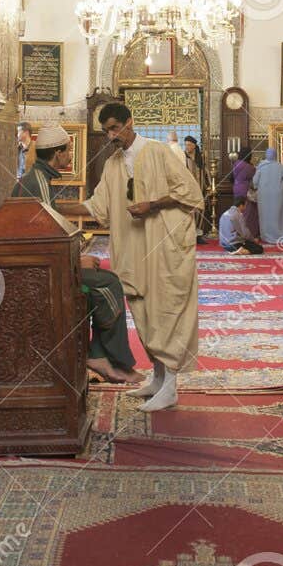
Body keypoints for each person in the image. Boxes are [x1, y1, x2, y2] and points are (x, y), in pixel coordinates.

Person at [84, 101, 203, 412]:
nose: (111, 135)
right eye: (106, 131)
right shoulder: (112, 165)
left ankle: (172, 386)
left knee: (167, 309)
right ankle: (159, 378)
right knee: (144, 310)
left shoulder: (158, 151)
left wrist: (152, 205)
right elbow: (97, 207)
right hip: (134, 250)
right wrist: (47, 208)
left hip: (165, 247)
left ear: (130, 122)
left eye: (115, 128)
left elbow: (190, 193)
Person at [13, 123, 144, 385]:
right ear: (58, 153)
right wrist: (76, 262)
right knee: (109, 285)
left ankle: (101, 355)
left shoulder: (41, 179)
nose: (71, 156)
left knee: (106, 280)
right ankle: (103, 358)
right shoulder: (37, 184)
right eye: (69, 150)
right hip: (38, 273)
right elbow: (41, 242)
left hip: (46, 265)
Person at [253, 148, 283, 245]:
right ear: (275, 155)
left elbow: (255, 182)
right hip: (278, 195)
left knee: (265, 216)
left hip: (264, 195)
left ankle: (266, 236)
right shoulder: (281, 167)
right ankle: (280, 236)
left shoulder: (260, 167)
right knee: (279, 216)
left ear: (266, 155)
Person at [182, 134, 209, 237]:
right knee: (190, 212)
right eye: (186, 145)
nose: (187, 147)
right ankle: (191, 235)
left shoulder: (200, 158)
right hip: (189, 191)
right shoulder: (184, 157)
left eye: (189, 145)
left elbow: (206, 172)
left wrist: (209, 186)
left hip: (200, 189)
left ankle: (199, 235)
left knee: (200, 212)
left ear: (194, 146)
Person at [230, 146, 259, 238]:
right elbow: (255, 174)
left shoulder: (236, 164)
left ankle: (236, 231)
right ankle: (248, 233)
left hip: (236, 188)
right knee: (248, 212)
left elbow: (231, 178)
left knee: (237, 210)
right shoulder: (248, 167)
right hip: (245, 189)